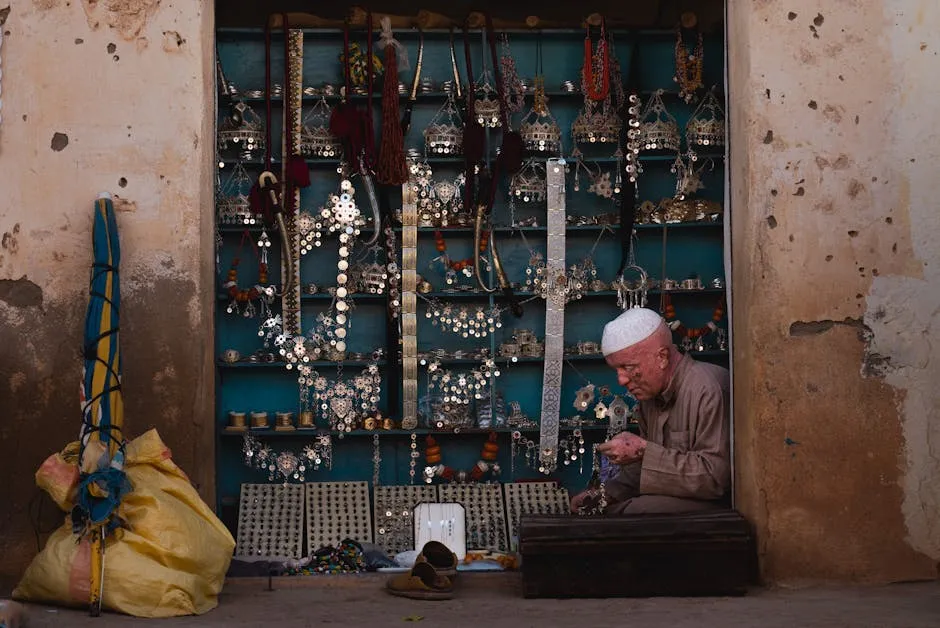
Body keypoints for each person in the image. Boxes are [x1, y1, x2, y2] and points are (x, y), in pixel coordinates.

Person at [569, 307, 731, 515]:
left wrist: (644, 451)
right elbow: (643, 471)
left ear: (662, 357)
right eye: (616, 370)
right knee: (601, 508)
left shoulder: (707, 388)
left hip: (714, 505)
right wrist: (605, 494)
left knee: (635, 512)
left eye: (628, 367)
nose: (621, 380)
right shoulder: (649, 398)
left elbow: (715, 480)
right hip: (674, 500)